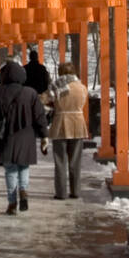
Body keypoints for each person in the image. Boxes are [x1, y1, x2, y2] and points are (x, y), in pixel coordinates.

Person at [0, 59, 48, 214]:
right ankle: (23, 190)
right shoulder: (30, 93)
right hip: (26, 136)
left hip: (6, 137)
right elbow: (40, 116)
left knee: (10, 169)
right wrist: (44, 136)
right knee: (24, 166)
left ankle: (12, 203)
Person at [47, 61, 88, 200]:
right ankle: (75, 191)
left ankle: (61, 193)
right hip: (78, 123)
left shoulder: (57, 86)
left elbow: (45, 100)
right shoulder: (82, 87)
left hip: (60, 123)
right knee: (75, 160)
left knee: (60, 161)